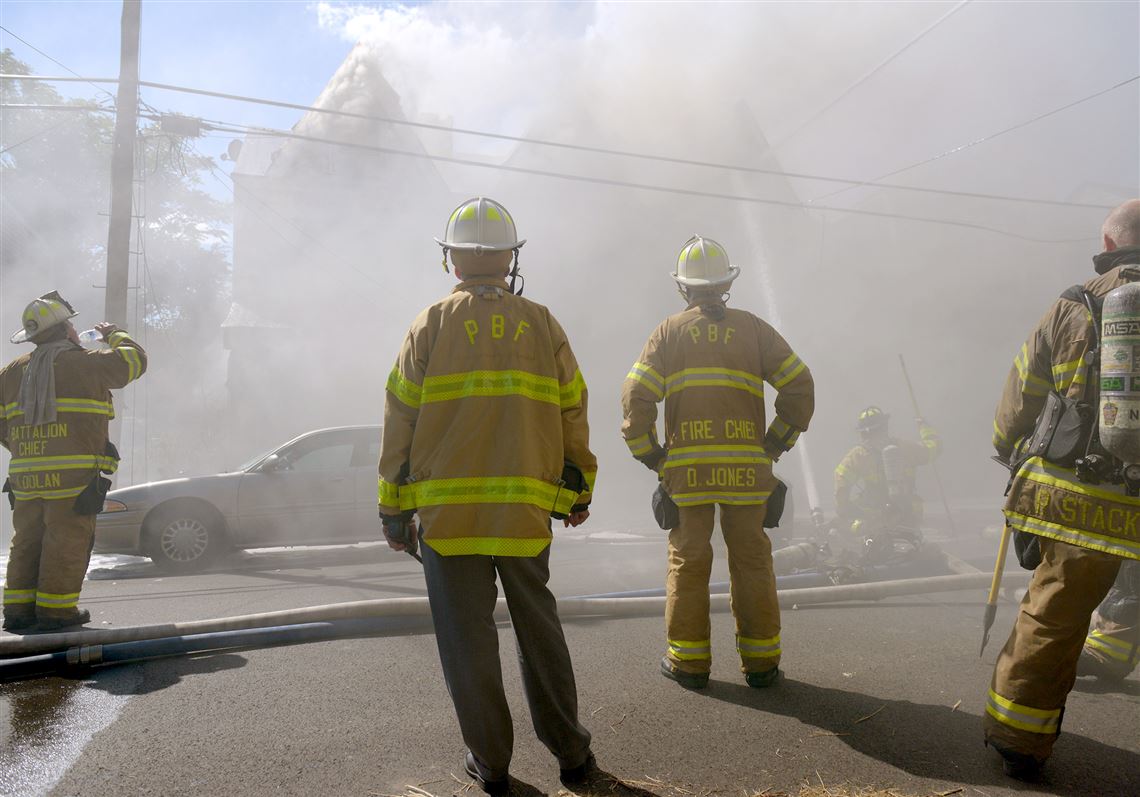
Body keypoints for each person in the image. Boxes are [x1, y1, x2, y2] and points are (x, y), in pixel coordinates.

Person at [378, 197, 598, 794]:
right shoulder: (543, 324)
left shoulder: (429, 325)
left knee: (467, 642)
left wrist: (393, 509)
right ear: (510, 258)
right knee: (539, 630)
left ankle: (492, 765)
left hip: (450, 522)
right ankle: (573, 756)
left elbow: (399, 419)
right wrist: (576, 489)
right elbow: (572, 409)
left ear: (452, 261)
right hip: (525, 515)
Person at [986, 198, 1140, 779]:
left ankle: (1019, 743)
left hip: (1085, 498)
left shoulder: (1073, 305)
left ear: (1107, 243)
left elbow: (1021, 392)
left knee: (1052, 619)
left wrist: (1007, 449)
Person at [620, 235, 814, 690]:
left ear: (683, 288)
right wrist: (773, 445)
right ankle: (762, 664)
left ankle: (688, 665)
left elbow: (635, 397)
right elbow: (800, 386)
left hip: (687, 473)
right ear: (726, 284)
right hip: (748, 472)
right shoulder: (754, 330)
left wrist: (653, 457)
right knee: (751, 561)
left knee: (688, 561)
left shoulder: (668, 333)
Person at [1, 291, 146, 632]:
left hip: (25, 477)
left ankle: (18, 612)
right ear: (65, 330)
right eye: (71, 325)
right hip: (72, 478)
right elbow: (134, 361)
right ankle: (56, 613)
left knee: (26, 541)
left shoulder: (8, 374)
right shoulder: (87, 362)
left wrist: (26, 452)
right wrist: (114, 333)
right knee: (65, 540)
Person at [834, 407, 941, 539]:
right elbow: (933, 449)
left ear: (863, 433)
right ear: (885, 426)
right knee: (911, 543)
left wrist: (844, 511)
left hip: (876, 519)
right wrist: (924, 428)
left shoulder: (858, 455)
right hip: (908, 514)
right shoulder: (905, 447)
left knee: (840, 527)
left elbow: (841, 481)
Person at [1077, 560, 1139, 682]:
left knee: (1130, 588)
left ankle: (1107, 655)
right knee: (1123, 582)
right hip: (1110, 657)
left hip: (1106, 658)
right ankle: (1106, 653)